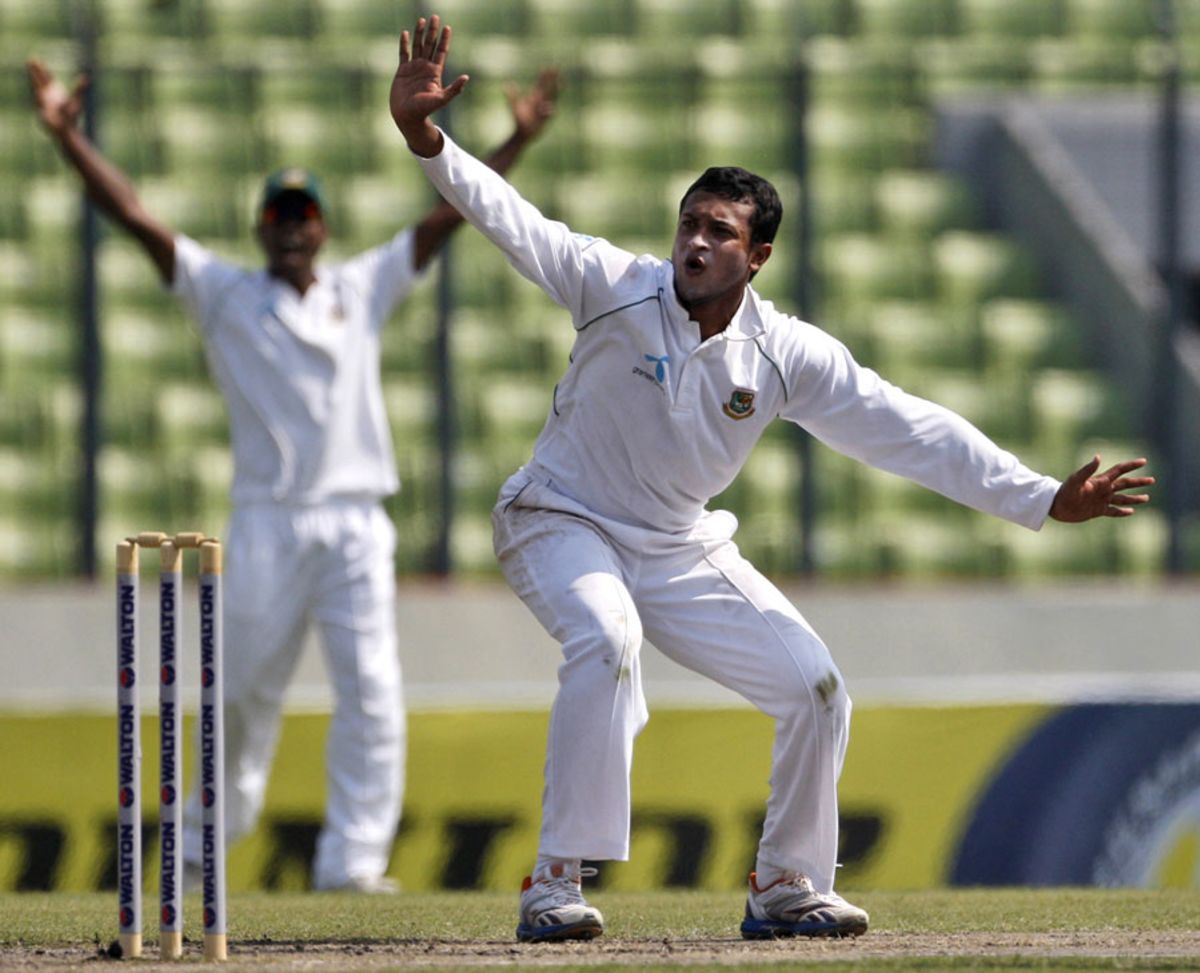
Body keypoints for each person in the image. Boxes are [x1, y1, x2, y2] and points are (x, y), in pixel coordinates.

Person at [388, 15, 1156, 941]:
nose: (695, 244)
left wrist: (1037, 495)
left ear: (757, 257)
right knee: (606, 637)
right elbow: (513, 220)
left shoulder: (784, 351)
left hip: (676, 543)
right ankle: (554, 881)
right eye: (689, 225)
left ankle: (787, 883)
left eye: (719, 232)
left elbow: (904, 427)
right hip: (560, 516)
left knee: (816, 684)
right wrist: (428, 139)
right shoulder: (613, 285)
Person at [28, 55, 559, 893]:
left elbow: (448, 216)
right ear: (260, 227)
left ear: (322, 225)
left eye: (303, 213)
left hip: (354, 520)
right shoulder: (224, 294)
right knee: (239, 696)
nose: (290, 225)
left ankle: (350, 865)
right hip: (269, 522)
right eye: (277, 213)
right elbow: (133, 216)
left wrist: (515, 142)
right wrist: (68, 139)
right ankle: (200, 855)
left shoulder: (362, 285)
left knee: (374, 694)